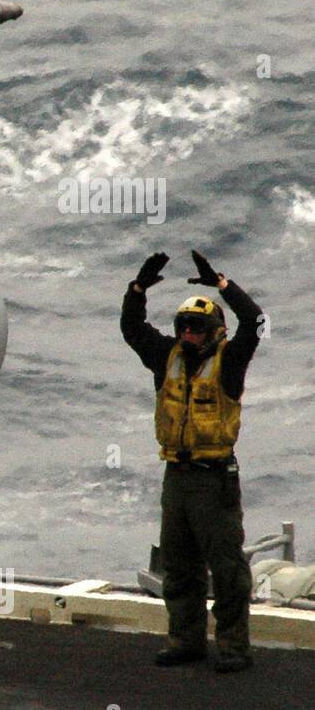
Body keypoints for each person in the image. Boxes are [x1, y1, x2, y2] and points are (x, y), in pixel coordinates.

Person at [121, 250, 264, 672]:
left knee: (227, 568)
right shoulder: (166, 357)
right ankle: (186, 640)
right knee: (178, 563)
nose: (187, 332)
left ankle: (234, 647)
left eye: (196, 327)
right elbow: (132, 329)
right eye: (182, 325)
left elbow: (255, 321)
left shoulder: (230, 361)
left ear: (215, 330)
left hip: (214, 479)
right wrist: (138, 289)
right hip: (176, 477)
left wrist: (223, 285)